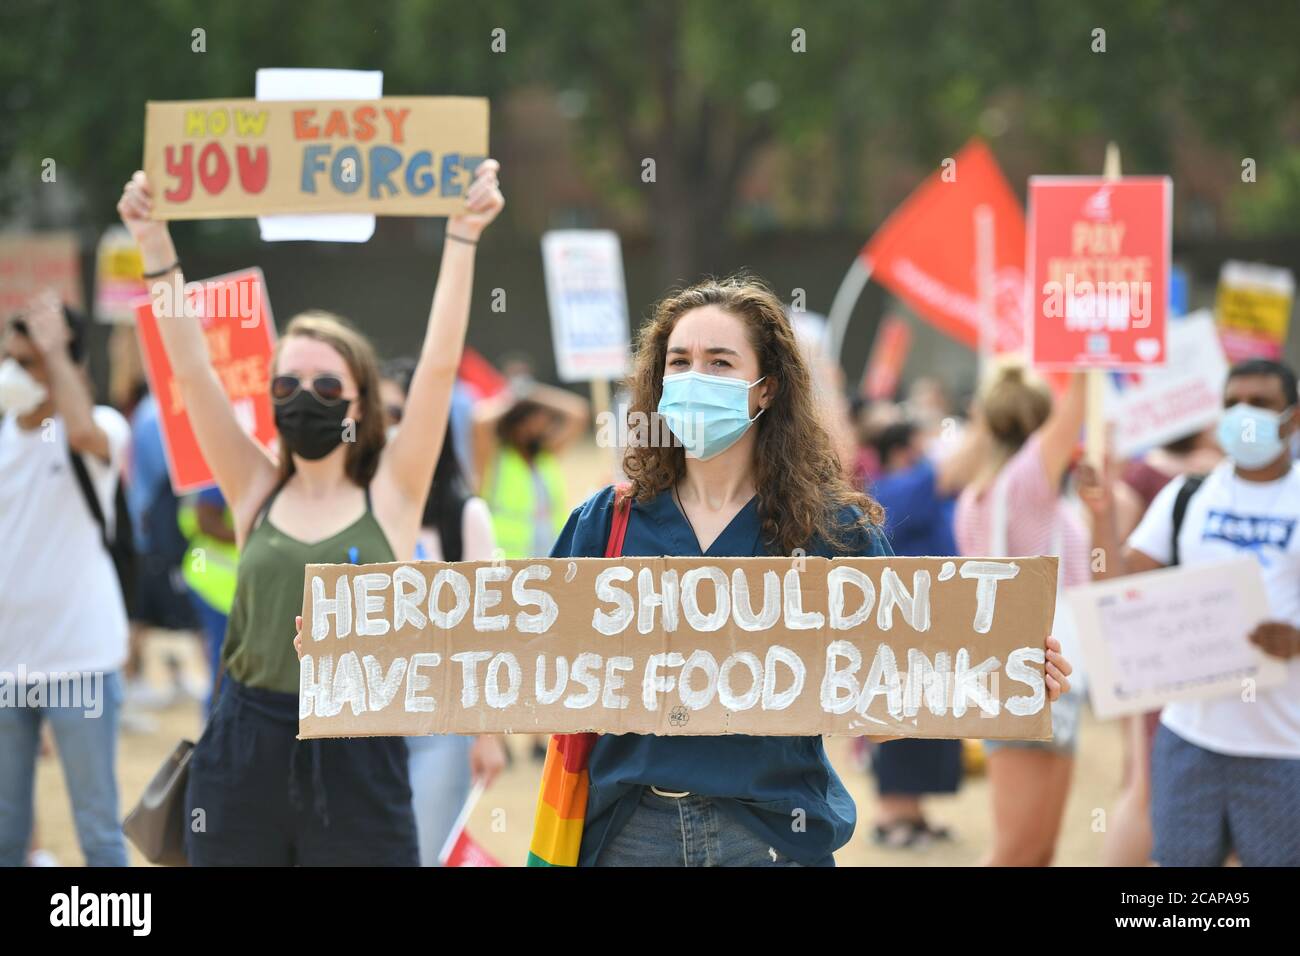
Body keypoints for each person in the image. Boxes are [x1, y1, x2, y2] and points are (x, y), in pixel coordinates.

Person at [547, 276, 1071, 866]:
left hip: (772, 838)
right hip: (627, 838)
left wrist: (1003, 673)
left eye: (720, 362)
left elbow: (887, 714)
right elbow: (536, 671)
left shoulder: (834, 531)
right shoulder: (604, 523)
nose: (695, 377)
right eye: (680, 361)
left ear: (765, 390)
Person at [116, 158, 503, 866]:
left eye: (328, 384)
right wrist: (153, 243)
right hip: (244, 745)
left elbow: (440, 367)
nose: (304, 395)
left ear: (360, 403)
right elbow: (191, 368)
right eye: (288, 382)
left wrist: (463, 237)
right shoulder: (252, 488)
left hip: (359, 756)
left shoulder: (391, 494)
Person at [1081, 358, 1300, 867]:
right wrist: (1101, 517)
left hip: (1283, 746)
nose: (1243, 415)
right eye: (1232, 403)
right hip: (1189, 740)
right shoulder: (1189, 496)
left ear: (1293, 418)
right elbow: (1111, 586)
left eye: (1260, 403)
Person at [0, 292, 130, 867]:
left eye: (29, 362)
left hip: (81, 661)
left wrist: (55, 354)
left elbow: (81, 433)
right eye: (11, 359)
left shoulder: (101, 427)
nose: (14, 373)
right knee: (7, 831)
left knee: (98, 830)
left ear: (68, 366)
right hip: (7, 664)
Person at [951, 361, 1088, 867]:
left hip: (1034, 670)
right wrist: (1087, 352)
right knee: (1017, 850)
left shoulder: (976, 498)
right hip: (1028, 671)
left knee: (1038, 849)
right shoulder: (1028, 479)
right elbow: (1075, 411)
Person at [378, 359, 507, 866]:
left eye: (395, 412)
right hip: (365, 727)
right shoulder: (355, 507)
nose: (385, 428)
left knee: (422, 856)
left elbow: (489, 627)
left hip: (441, 730)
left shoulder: (463, 515)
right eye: (374, 413)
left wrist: (488, 734)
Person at [1100, 427, 1222, 867]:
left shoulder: (1144, 475)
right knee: (1148, 781)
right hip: (1165, 644)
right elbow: (1112, 568)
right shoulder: (1151, 477)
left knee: (1145, 778)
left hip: (1172, 644)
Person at [864, 419, 963, 847]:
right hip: (902, 626)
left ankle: (915, 811)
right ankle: (893, 815)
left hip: (931, 624)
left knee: (929, 720)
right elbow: (953, 470)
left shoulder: (912, 486)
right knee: (901, 720)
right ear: (902, 452)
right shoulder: (897, 486)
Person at [177, 485, 239, 718]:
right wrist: (252, 534)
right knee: (224, 668)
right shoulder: (223, 472)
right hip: (217, 586)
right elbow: (205, 519)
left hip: (224, 584)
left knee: (226, 665)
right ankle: (214, 731)